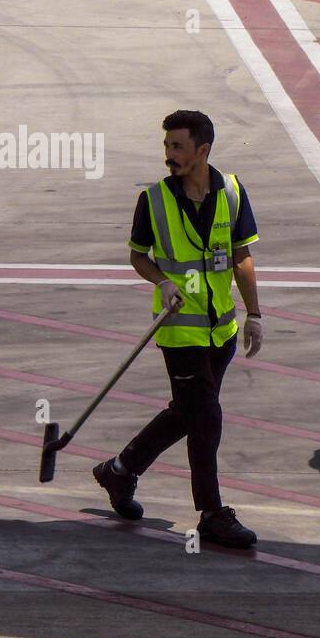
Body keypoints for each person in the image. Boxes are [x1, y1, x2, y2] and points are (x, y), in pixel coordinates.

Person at [92, 110, 263, 548]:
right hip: (179, 332)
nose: (169, 155)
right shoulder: (153, 200)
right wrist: (162, 280)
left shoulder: (232, 192)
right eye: (167, 146)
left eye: (178, 147)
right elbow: (138, 256)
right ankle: (211, 512)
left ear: (202, 150)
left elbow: (241, 255)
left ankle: (119, 471)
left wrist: (254, 314)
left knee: (186, 413)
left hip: (220, 331)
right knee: (206, 415)